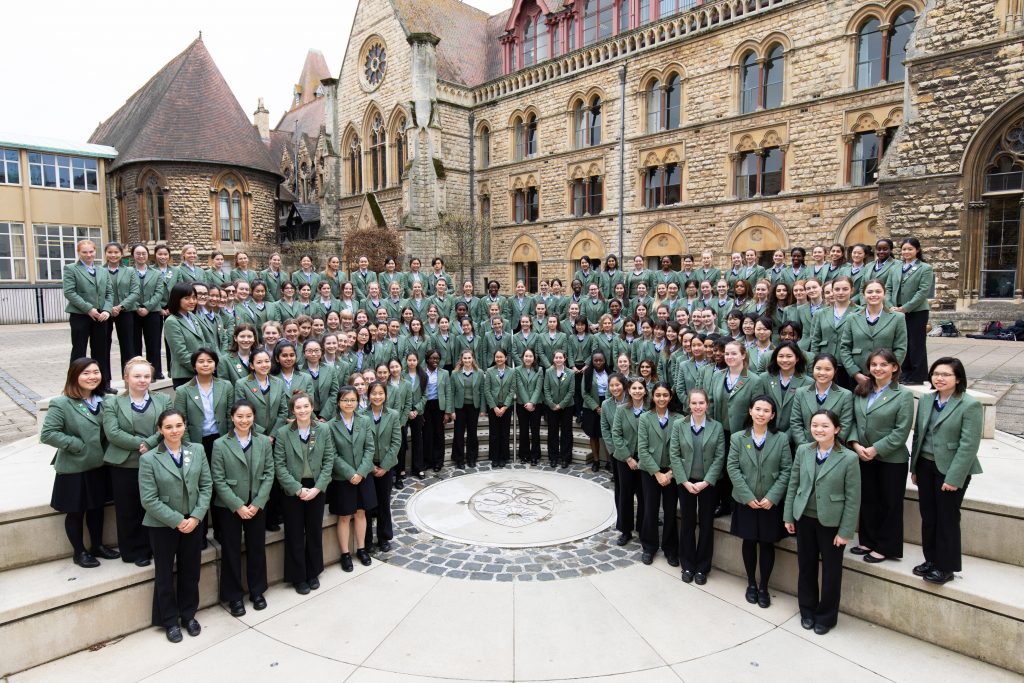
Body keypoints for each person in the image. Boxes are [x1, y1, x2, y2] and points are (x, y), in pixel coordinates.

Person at [138, 408, 212, 643]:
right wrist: (177, 520)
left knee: (191, 571)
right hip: (163, 525)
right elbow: (149, 499)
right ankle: (169, 620)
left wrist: (197, 516)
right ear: (160, 430)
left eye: (178, 425)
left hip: (193, 521)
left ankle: (188, 614)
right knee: (164, 573)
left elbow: (206, 485)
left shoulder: (197, 450)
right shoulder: (149, 458)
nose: (174, 431)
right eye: (168, 427)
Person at [784, 409, 860, 635]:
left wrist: (846, 530)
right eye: (815, 425)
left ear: (836, 429)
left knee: (831, 571)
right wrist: (789, 515)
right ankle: (806, 609)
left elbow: (853, 498)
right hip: (805, 517)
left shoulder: (849, 458)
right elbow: (793, 484)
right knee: (806, 566)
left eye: (825, 426)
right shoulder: (803, 451)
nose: (819, 430)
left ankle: (826, 616)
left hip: (831, 523)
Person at [910, 357, 983, 585]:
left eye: (946, 374)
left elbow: (968, 445)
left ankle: (946, 567)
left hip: (951, 469)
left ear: (958, 378)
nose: (939, 378)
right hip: (925, 465)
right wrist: (914, 468)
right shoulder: (926, 399)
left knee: (947, 519)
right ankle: (931, 560)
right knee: (929, 517)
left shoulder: (969, 404)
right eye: (936, 374)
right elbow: (919, 436)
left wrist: (954, 477)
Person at [41, 358, 119, 568]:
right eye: (86, 373)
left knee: (97, 508)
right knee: (76, 511)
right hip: (75, 466)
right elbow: (48, 434)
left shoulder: (107, 400)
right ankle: (79, 551)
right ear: (74, 376)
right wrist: (77, 445)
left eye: (96, 372)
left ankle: (97, 546)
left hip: (99, 465)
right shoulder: (62, 403)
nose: (92, 376)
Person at [102, 357, 170, 566]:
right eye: (137, 376)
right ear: (126, 378)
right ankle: (133, 551)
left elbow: (168, 426)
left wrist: (149, 443)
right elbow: (112, 432)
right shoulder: (113, 402)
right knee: (128, 509)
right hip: (125, 464)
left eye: (147, 376)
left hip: (154, 461)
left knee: (152, 508)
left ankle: (154, 547)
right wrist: (140, 444)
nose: (143, 380)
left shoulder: (163, 400)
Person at [848, 349, 914, 564]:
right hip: (862, 454)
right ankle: (867, 540)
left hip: (890, 458)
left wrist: (876, 449)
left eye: (884, 364)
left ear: (894, 367)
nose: (878, 368)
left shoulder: (903, 394)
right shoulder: (861, 390)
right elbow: (853, 422)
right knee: (868, 499)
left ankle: (886, 546)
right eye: (874, 364)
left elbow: (901, 430)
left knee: (889, 503)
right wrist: (857, 445)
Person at [727, 395, 792, 606]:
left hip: (769, 503)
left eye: (766, 411)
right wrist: (747, 496)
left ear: (772, 415)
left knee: (766, 544)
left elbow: (786, 470)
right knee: (749, 541)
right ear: (750, 411)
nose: (761, 414)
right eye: (758, 409)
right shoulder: (738, 438)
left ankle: (764, 586)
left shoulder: (781, 439)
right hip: (746, 500)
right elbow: (733, 468)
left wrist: (772, 497)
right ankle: (751, 584)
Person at [211, 400, 273, 617]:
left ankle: (257, 591)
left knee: (256, 548)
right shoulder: (220, 444)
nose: (244, 420)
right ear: (232, 418)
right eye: (239, 416)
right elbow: (217, 479)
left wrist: (257, 503)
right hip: (230, 507)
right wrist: (238, 506)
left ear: (254, 417)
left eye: (248, 416)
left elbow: (269, 473)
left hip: (256, 504)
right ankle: (234, 596)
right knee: (231, 550)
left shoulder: (263, 441)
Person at [275, 392, 335, 594]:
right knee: (294, 532)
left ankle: (313, 571)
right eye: (298, 407)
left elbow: (329, 460)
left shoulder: (323, 429)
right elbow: (280, 466)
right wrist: (297, 489)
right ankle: (298, 576)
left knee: (314, 530)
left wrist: (318, 488)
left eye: (306, 406)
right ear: (292, 410)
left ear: (312, 407)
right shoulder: (283, 433)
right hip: (293, 488)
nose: (302, 410)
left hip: (317, 486)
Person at [669, 388, 726, 584]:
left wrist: (706, 481)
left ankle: (702, 567)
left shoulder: (716, 427)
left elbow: (720, 457)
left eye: (701, 403)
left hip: (708, 484)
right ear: (689, 405)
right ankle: (687, 564)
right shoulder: (679, 425)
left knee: (706, 525)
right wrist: (684, 481)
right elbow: (674, 455)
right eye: (694, 403)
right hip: (685, 482)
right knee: (687, 523)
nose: (698, 406)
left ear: (707, 405)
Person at [707, 340, 764, 517]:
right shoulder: (718, 376)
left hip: (741, 432)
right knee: (720, 467)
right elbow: (711, 401)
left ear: (743, 355)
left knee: (737, 468)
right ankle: (722, 503)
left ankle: (735, 504)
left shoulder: (754, 380)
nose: (730, 357)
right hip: (719, 430)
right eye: (727, 354)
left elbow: (756, 408)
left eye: (734, 353)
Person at [328, 385, 376, 572]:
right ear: (338, 402)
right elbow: (331, 454)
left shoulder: (364, 421)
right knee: (344, 516)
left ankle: (362, 549)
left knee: (361, 513)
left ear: (358, 401)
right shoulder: (331, 425)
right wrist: (350, 474)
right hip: (342, 478)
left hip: (363, 476)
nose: (349, 403)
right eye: (345, 400)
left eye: (353, 400)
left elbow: (369, 448)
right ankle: (345, 553)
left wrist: (361, 472)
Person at [637, 382, 680, 566]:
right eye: (658, 395)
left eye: (665, 395)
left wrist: (670, 473)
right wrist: (657, 473)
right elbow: (642, 450)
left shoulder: (680, 419)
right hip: (650, 471)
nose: (661, 399)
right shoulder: (646, 418)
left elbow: (682, 451)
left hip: (672, 471)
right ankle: (649, 546)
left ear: (670, 397)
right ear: (652, 397)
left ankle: (670, 548)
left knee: (670, 510)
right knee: (650, 509)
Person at [63, 239, 114, 391]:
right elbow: (70, 292)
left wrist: (106, 310)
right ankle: (74, 386)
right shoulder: (71, 269)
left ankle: (102, 385)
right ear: (79, 253)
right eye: (84, 252)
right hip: (81, 315)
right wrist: (89, 309)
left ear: (95, 252)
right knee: (79, 350)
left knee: (101, 350)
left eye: (91, 251)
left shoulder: (102, 271)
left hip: (101, 316)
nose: (88, 255)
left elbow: (109, 293)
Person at [839, 279, 907, 385]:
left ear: (884, 294)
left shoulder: (898, 318)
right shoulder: (852, 318)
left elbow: (901, 348)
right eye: (870, 292)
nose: (874, 295)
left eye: (878, 291)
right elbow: (844, 348)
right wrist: (855, 372)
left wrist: (890, 371)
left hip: (886, 376)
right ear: (863, 295)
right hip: (859, 375)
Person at [890, 238, 935, 384]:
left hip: (916, 312)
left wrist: (906, 308)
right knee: (902, 343)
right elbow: (888, 288)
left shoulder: (925, 268)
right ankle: (904, 373)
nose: (906, 252)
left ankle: (917, 376)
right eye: (904, 249)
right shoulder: (895, 267)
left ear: (917, 250)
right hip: (896, 310)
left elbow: (922, 292)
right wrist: (891, 305)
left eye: (910, 249)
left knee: (916, 344)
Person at [365, 382, 401, 552]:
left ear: (385, 395)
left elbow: (396, 442)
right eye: (374, 393)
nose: (377, 397)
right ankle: (366, 540)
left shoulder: (393, 415)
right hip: (367, 466)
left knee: (384, 503)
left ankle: (384, 537)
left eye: (380, 393)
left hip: (386, 465)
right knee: (368, 504)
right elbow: (360, 444)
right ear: (368, 395)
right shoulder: (361, 415)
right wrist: (370, 465)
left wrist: (385, 466)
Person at [790, 354, 854, 447]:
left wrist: (831, 446)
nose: (822, 373)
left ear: (835, 371)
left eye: (827, 369)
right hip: (804, 447)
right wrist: (804, 446)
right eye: (818, 368)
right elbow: (795, 422)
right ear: (813, 369)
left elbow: (845, 425)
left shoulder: (845, 395)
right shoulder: (801, 392)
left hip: (833, 450)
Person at [131, 244, 167, 379]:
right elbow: (127, 292)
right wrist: (136, 307)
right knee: (135, 344)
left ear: (148, 255)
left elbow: (159, 292)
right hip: (133, 311)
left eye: (144, 253)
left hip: (152, 312)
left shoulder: (156, 273)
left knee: (153, 343)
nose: (141, 256)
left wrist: (147, 307)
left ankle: (155, 371)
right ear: (133, 255)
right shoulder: (129, 272)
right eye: (138, 253)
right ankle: (137, 372)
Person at [104, 242, 139, 378]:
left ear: (121, 254)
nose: (113, 255)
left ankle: (129, 378)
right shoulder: (100, 270)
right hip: (105, 312)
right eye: (110, 252)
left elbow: (135, 292)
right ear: (106, 253)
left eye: (116, 252)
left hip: (125, 311)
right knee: (104, 346)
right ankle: (106, 381)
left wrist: (120, 306)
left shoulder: (130, 271)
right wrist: (109, 308)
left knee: (128, 346)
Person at [163, 283, 205, 387]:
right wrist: (200, 368)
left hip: (200, 371)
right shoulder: (172, 321)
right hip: (184, 375)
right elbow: (181, 353)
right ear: (177, 299)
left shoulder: (192, 316)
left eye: (194, 298)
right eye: (187, 298)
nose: (192, 301)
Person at [451, 349, 485, 468]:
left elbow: (482, 391)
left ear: (473, 359)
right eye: (465, 358)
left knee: (472, 433)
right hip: (459, 407)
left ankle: (472, 458)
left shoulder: (479, 373)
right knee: (459, 434)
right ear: (461, 359)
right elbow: (451, 392)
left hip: (473, 407)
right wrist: (451, 411)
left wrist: (482, 409)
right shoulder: (455, 373)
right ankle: (459, 459)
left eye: (469, 358)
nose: (467, 360)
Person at [544, 350, 575, 467]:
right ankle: (553, 457)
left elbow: (571, 391)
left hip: (566, 407)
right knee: (552, 432)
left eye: (560, 357)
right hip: (551, 406)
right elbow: (546, 389)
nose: (558, 360)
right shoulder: (548, 372)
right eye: (556, 358)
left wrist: (561, 405)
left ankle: (565, 458)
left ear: (565, 358)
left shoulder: (570, 373)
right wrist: (552, 404)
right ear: (553, 359)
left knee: (566, 432)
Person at [513, 348, 544, 465]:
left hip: (536, 404)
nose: (528, 358)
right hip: (522, 404)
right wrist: (527, 403)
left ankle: (535, 455)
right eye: (526, 356)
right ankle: (524, 454)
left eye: (530, 356)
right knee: (524, 430)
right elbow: (519, 386)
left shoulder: (540, 370)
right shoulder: (517, 370)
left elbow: (538, 387)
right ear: (522, 357)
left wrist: (532, 402)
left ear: (534, 358)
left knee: (535, 431)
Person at [581, 351, 610, 472]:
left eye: (600, 360)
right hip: (591, 406)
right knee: (593, 435)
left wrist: (605, 407)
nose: (598, 362)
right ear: (592, 361)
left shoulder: (610, 373)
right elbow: (584, 393)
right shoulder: (587, 373)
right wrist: (597, 408)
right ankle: (596, 460)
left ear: (604, 360)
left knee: (607, 435)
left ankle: (609, 462)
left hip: (607, 405)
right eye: (595, 360)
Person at [485, 350, 515, 467]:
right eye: (497, 357)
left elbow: (512, 390)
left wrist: (505, 406)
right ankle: (494, 457)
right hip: (493, 407)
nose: (499, 359)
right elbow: (487, 390)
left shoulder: (512, 371)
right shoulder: (490, 371)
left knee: (504, 433)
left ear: (506, 358)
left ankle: (503, 457)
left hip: (506, 407)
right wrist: (494, 407)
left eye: (501, 357)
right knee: (494, 433)